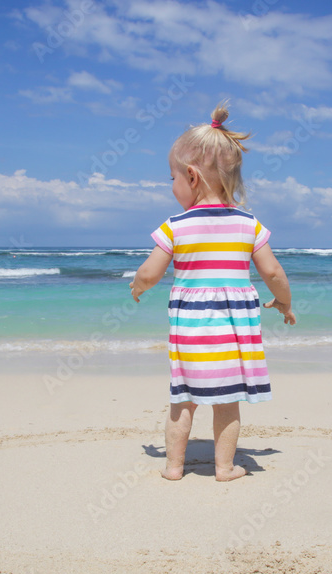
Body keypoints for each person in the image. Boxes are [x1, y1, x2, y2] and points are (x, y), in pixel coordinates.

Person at [129, 100, 296, 482]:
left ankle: (173, 467)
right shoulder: (248, 225)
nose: (171, 186)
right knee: (227, 404)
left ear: (190, 176)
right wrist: (284, 302)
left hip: (189, 332)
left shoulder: (175, 226)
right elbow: (272, 271)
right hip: (234, 333)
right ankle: (224, 467)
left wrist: (139, 284)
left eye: (170, 178)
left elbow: (151, 272)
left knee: (182, 400)